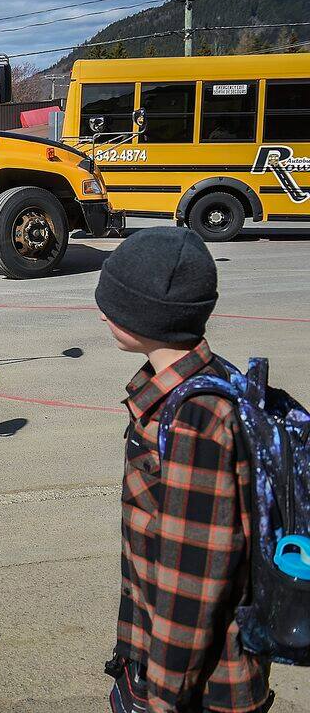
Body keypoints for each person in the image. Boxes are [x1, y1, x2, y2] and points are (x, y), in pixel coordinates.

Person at [95, 227, 273, 713]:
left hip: (195, 687)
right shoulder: (196, 384)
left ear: (146, 316)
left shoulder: (197, 416)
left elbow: (191, 582)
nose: (102, 311)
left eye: (113, 302)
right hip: (158, 662)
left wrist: (161, 697)